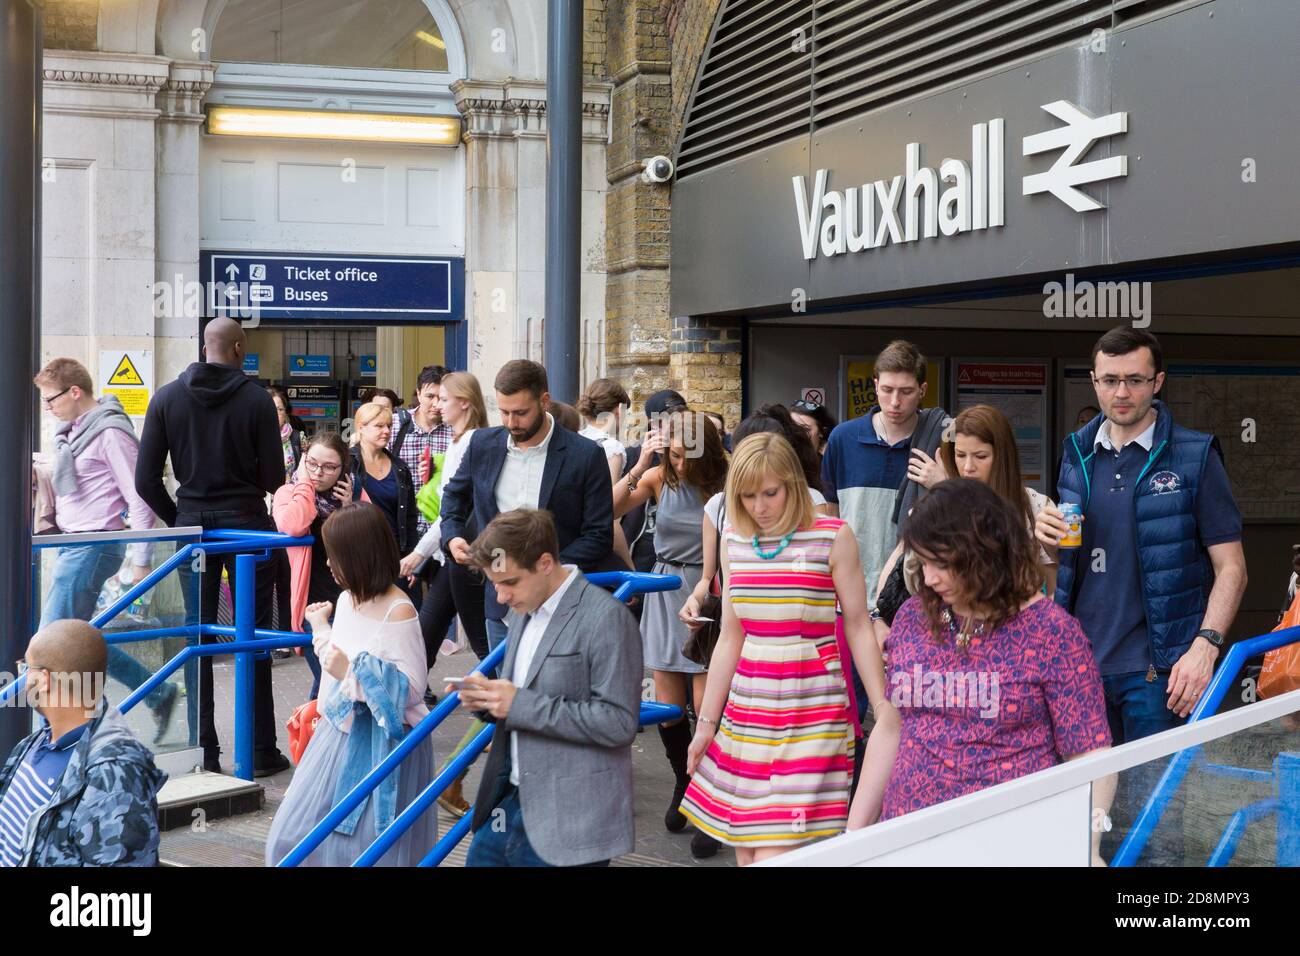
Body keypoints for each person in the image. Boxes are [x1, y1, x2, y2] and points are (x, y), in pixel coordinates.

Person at [1035, 326, 1246, 864]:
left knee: (1156, 828)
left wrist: (1206, 646)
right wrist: (1046, 546)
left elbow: (1233, 569)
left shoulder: (1195, 456)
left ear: (1158, 382)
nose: (1121, 393)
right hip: (1079, 670)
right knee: (1081, 827)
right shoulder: (1075, 453)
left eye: (1134, 380)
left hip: (1158, 674)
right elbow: (1065, 567)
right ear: (1094, 381)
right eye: (1109, 380)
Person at [865, 479, 1113, 864]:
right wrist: (854, 835)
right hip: (907, 838)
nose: (928, 578)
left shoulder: (1051, 632)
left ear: (983, 553)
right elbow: (891, 726)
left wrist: (1087, 844)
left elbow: (1090, 753)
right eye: (924, 562)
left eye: (942, 564)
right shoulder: (913, 617)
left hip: (1009, 844)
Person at [679, 433, 898, 865]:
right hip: (749, 709)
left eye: (770, 493)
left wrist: (881, 705)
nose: (759, 506)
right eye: (747, 496)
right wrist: (706, 723)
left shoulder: (832, 537)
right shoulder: (734, 541)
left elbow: (857, 623)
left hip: (812, 708)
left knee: (774, 854)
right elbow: (730, 636)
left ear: (793, 486)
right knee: (747, 853)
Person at [135, 317, 290, 776]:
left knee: (196, 637)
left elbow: (146, 480)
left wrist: (181, 518)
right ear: (239, 348)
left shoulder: (165, 398)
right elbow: (275, 480)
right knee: (253, 637)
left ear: (204, 347)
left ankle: (203, 752)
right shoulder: (257, 400)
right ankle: (261, 750)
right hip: (247, 528)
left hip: (194, 533)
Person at [455, 509, 642, 867]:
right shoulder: (528, 607)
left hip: (570, 820)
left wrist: (517, 703)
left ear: (544, 563)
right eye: (494, 583)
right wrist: (488, 700)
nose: (500, 597)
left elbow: (619, 723)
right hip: (507, 804)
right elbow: (526, 696)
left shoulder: (606, 617)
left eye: (508, 582)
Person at [265, 503, 436, 867]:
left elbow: (411, 689)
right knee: (292, 837)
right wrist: (321, 626)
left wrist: (351, 672)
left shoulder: (400, 611)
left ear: (359, 557)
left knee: (365, 849)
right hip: (336, 732)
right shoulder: (346, 600)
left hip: (382, 747)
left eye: (335, 556)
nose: (328, 564)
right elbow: (335, 662)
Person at [33, 358, 176, 740]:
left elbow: (140, 495)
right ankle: (156, 693)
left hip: (92, 545)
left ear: (75, 391)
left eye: (51, 399)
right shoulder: (75, 431)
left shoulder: (109, 431)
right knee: (82, 639)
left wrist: (142, 559)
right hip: (76, 544)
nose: (48, 407)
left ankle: (62, 731)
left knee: (49, 645)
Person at [439, 360, 614, 655]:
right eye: (504, 412)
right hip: (498, 601)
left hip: (558, 603)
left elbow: (598, 535)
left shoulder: (585, 455)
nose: (510, 422)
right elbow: (454, 498)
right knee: (502, 692)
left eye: (520, 413)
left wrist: (542, 571)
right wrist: (453, 536)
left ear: (544, 400)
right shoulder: (482, 443)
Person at [612, 411, 727, 842]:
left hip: (710, 589)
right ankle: (683, 782)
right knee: (668, 709)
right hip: (664, 588)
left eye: (684, 455)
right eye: (672, 454)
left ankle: (710, 799)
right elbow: (609, 509)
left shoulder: (725, 478)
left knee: (706, 706)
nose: (678, 462)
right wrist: (641, 464)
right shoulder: (661, 476)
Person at [395, 371, 490, 817]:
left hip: (463, 561)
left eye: (444, 399)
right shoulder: (456, 443)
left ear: (465, 403)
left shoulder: (469, 444)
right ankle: (400, 750)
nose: (436, 405)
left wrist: (417, 554)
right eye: (434, 398)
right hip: (455, 562)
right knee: (423, 642)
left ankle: (451, 771)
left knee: (491, 661)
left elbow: (451, 514)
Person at [0, 620, 167, 866]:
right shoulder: (38, 742)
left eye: (26, 667)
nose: (22, 677)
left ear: (44, 679)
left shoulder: (115, 774)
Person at [877, 403, 1060, 609]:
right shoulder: (937, 508)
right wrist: (878, 613)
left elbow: (1052, 592)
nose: (968, 467)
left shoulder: (1036, 507)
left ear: (1002, 456)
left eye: (980, 456)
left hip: (1017, 631)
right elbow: (905, 572)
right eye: (960, 455)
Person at [821, 339, 951, 607]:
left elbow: (969, 513)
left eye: (906, 391)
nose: (895, 402)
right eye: (888, 389)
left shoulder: (940, 442)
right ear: (875, 385)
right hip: (848, 593)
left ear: (922, 390)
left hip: (916, 594)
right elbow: (829, 518)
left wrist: (944, 484)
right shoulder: (842, 439)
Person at [272, 432, 354, 700]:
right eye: (312, 464)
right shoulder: (288, 492)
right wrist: (305, 484)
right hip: (313, 606)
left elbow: (367, 541)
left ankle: (315, 736)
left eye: (329, 467)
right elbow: (294, 524)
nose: (319, 472)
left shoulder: (352, 493)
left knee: (337, 685)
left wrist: (349, 509)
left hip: (351, 601)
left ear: (343, 469)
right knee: (329, 679)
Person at [348, 402, 420, 594]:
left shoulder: (400, 468)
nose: (387, 431)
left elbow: (410, 517)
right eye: (379, 426)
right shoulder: (347, 464)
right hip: (360, 553)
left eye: (389, 426)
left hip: (396, 555)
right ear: (361, 428)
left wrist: (413, 558)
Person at [620, 389, 689, 578]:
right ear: (653, 424)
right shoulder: (633, 456)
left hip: (684, 554)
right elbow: (612, 510)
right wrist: (640, 467)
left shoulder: (692, 454)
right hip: (641, 551)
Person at [577, 377, 635, 569]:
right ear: (619, 411)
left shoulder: (575, 440)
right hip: (596, 546)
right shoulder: (611, 448)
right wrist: (628, 566)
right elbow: (608, 512)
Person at [266, 385, 303, 483]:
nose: (275, 413)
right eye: (270, 408)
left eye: (280, 409)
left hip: (288, 494)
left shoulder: (297, 438)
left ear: (286, 412)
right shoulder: (251, 437)